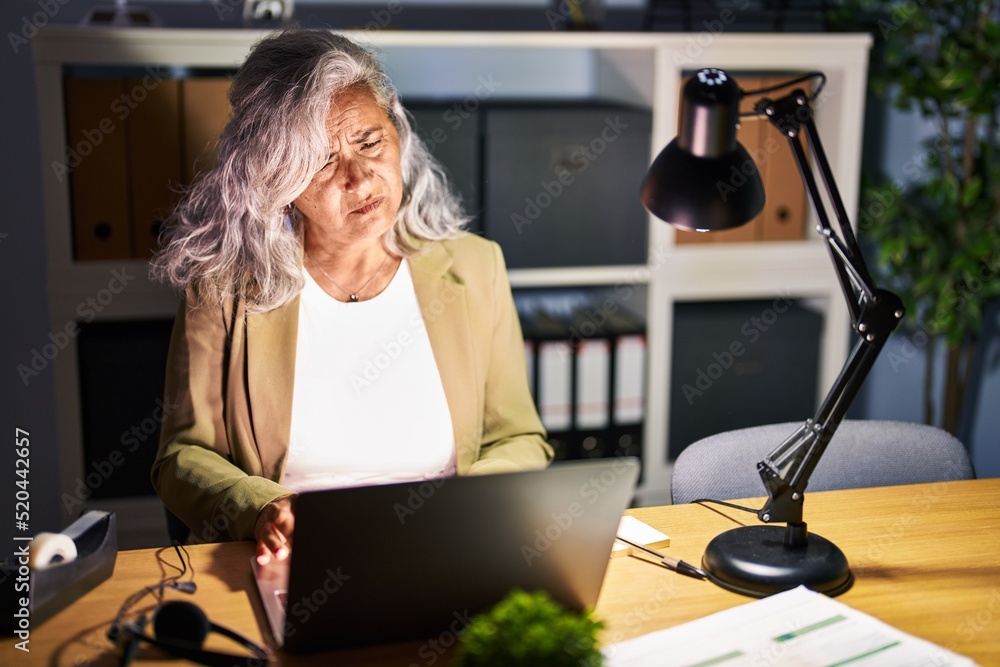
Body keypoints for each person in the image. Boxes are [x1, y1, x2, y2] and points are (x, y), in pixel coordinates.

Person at [150, 28, 552, 565]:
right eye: (320, 160)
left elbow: (520, 439)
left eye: (370, 141)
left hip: (449, 551)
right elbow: (182, 456)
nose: (360, 178)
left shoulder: (476, 268)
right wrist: (261, 508)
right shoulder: (222, 286)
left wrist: (466, 510)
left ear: (398, 133)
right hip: (299, 557)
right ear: (276, 178)